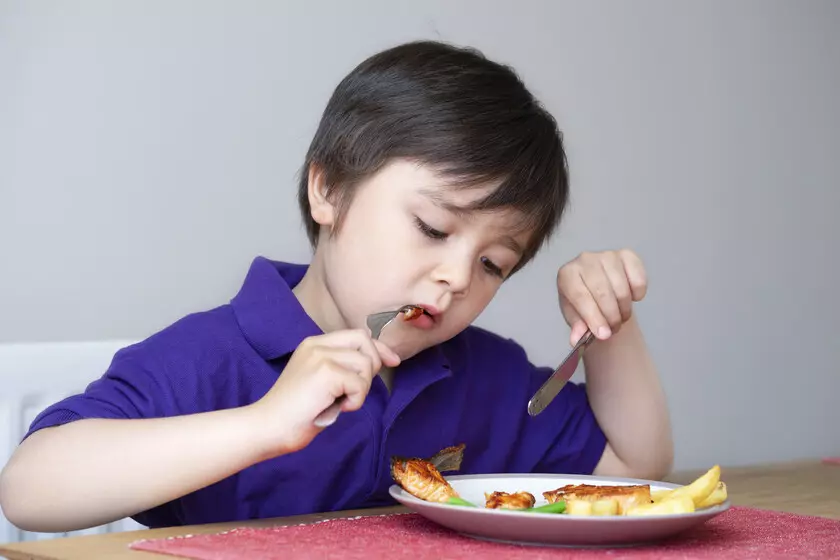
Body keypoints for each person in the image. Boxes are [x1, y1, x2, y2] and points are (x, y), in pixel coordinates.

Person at [0, 40, 672, 533]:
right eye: (433, 227)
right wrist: (264, 424)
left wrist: (609, 325)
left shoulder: (483, 376)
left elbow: (633, 472)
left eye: (494, 263)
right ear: (328, 190)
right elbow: (31, 488)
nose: (458, 277)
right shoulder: (213, 356)